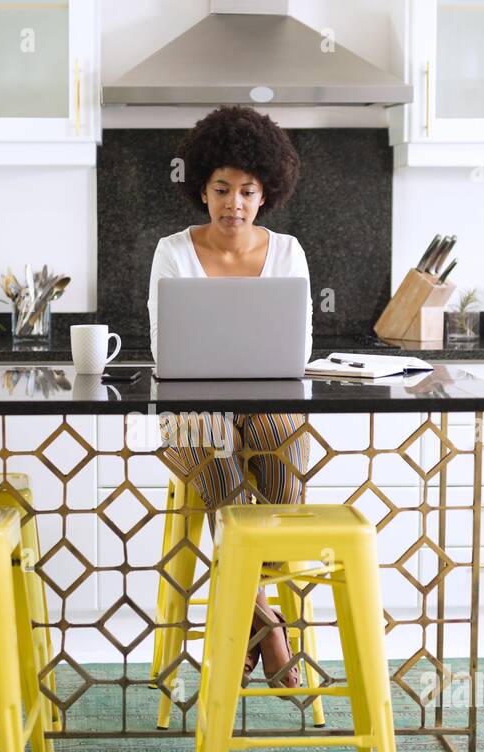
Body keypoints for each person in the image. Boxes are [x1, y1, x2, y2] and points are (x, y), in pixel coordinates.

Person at [147, 105, 313, 688]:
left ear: (266, 194)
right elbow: (168, 352)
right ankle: (268, 622)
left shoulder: (288, 253)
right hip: (190, 414)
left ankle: (249, 609)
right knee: (217, 448)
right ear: (202, 188)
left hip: (266, 406)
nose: (233, 204)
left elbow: (297, 353)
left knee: (279, 438)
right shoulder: (173, 252)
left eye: (247, 191)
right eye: (221, 189)